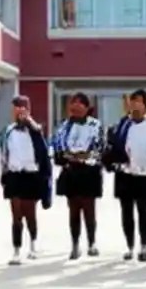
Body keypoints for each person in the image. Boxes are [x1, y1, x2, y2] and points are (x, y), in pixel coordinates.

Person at [103, 88, 146, 262]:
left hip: (144, 176)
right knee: (126, 212)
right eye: (132, 101)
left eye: (139, 101)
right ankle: (129, 246)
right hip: (124, 175)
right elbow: (112, 148)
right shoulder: (122, 125)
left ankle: (144, 247)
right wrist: (110, 162)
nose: (134, 104)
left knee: (144, 211)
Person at [0, 95, 52, 265]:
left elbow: (43, 155)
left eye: (22, 110)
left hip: (31, 175)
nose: (18, 114)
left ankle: (33, 244)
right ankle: (16, 250)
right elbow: (4, 153)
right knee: (16, 214)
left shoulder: (35, 131)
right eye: (15, 110)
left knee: (30, 213)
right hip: (14, 175)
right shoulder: (9, 131)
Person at [54, 92, 105, 259]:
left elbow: (98, 149)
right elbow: (59, 148)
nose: (74, 107)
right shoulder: (64, 126)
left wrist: (82, 156)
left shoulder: (95, 125)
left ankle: (92, 243)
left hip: (89, 172)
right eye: (72, 104)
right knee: (73, 210)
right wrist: (70, 157)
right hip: (71, 172)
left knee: (89, 209)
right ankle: (75, 244)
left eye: (78, 104)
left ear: (86, 107)